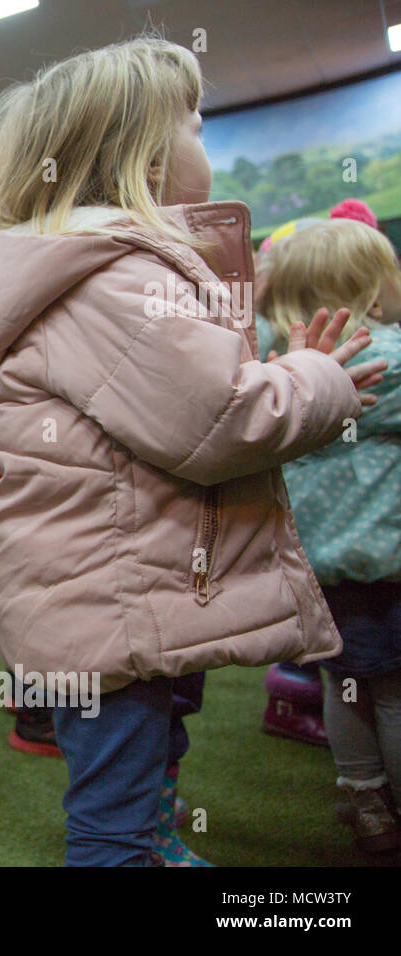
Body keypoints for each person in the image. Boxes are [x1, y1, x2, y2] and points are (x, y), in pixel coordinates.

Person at [0, 36, 385, 866]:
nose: (205, 144)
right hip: (113, 603)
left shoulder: (85, 268)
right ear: (145, 159)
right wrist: (317, 380)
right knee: (111, 811)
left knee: (151, 760)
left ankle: (159, 843)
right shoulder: (110, 280)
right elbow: (214, 423)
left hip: (129, 590)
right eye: (198, 127)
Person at [256, 218, 401, 855]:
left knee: (342, 685)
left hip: (315, 569)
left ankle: (365, 799)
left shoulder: (279, 370)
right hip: (386, 566)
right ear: (370, 295)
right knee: (395, 691)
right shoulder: (389, 357)